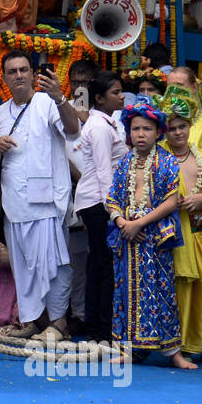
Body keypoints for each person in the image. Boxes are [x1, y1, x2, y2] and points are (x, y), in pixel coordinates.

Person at [0, 51, 81, 338]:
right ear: (3, 78)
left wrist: (60, 98)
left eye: (23, 70)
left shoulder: (47, 102)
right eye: (12, 71)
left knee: (55, 264)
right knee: (24, 267)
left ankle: (58, 324)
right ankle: (36, 324)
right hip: (14, 204)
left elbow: (73, 128)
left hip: (47, 202)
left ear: (32, 74)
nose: (18, 75)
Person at [105, 101, 194, 368]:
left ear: (158, 132)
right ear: (128, 132)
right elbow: (112, 199)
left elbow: (171, 201)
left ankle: (173, 352)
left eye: (147, 128)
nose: (141, 134)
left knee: (162, 292)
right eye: (135, 129)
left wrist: (140, 224)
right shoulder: (124, 163)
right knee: (126, 294)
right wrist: (123, 223)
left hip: (154, 239)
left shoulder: (167, 162)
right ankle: (129, 349)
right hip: (128, 241)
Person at [158, 86, 202, 361]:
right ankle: (179, 346)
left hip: (201, 234)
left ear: (190, 125)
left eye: (182, 126)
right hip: (172, 239)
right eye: (172, 128)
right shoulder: (158, 157)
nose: (177, 133)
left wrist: (201, 199)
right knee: (179, 292)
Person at [74, 71, 127, 342]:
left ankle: (96, 327)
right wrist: (114, 210)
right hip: (99, 202)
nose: (121, 96)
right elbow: (106, 173)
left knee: (98, 263)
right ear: (99, 98)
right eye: (115, 92)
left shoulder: (103, 124)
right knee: (105, 265)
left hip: (95, 201)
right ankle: (102, 329)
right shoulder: (99, 127)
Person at [166, 67, 202, 163]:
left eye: (179, 86)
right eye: (169, 87)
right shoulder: (160, 120)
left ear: (193, 88)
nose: (173, 91)